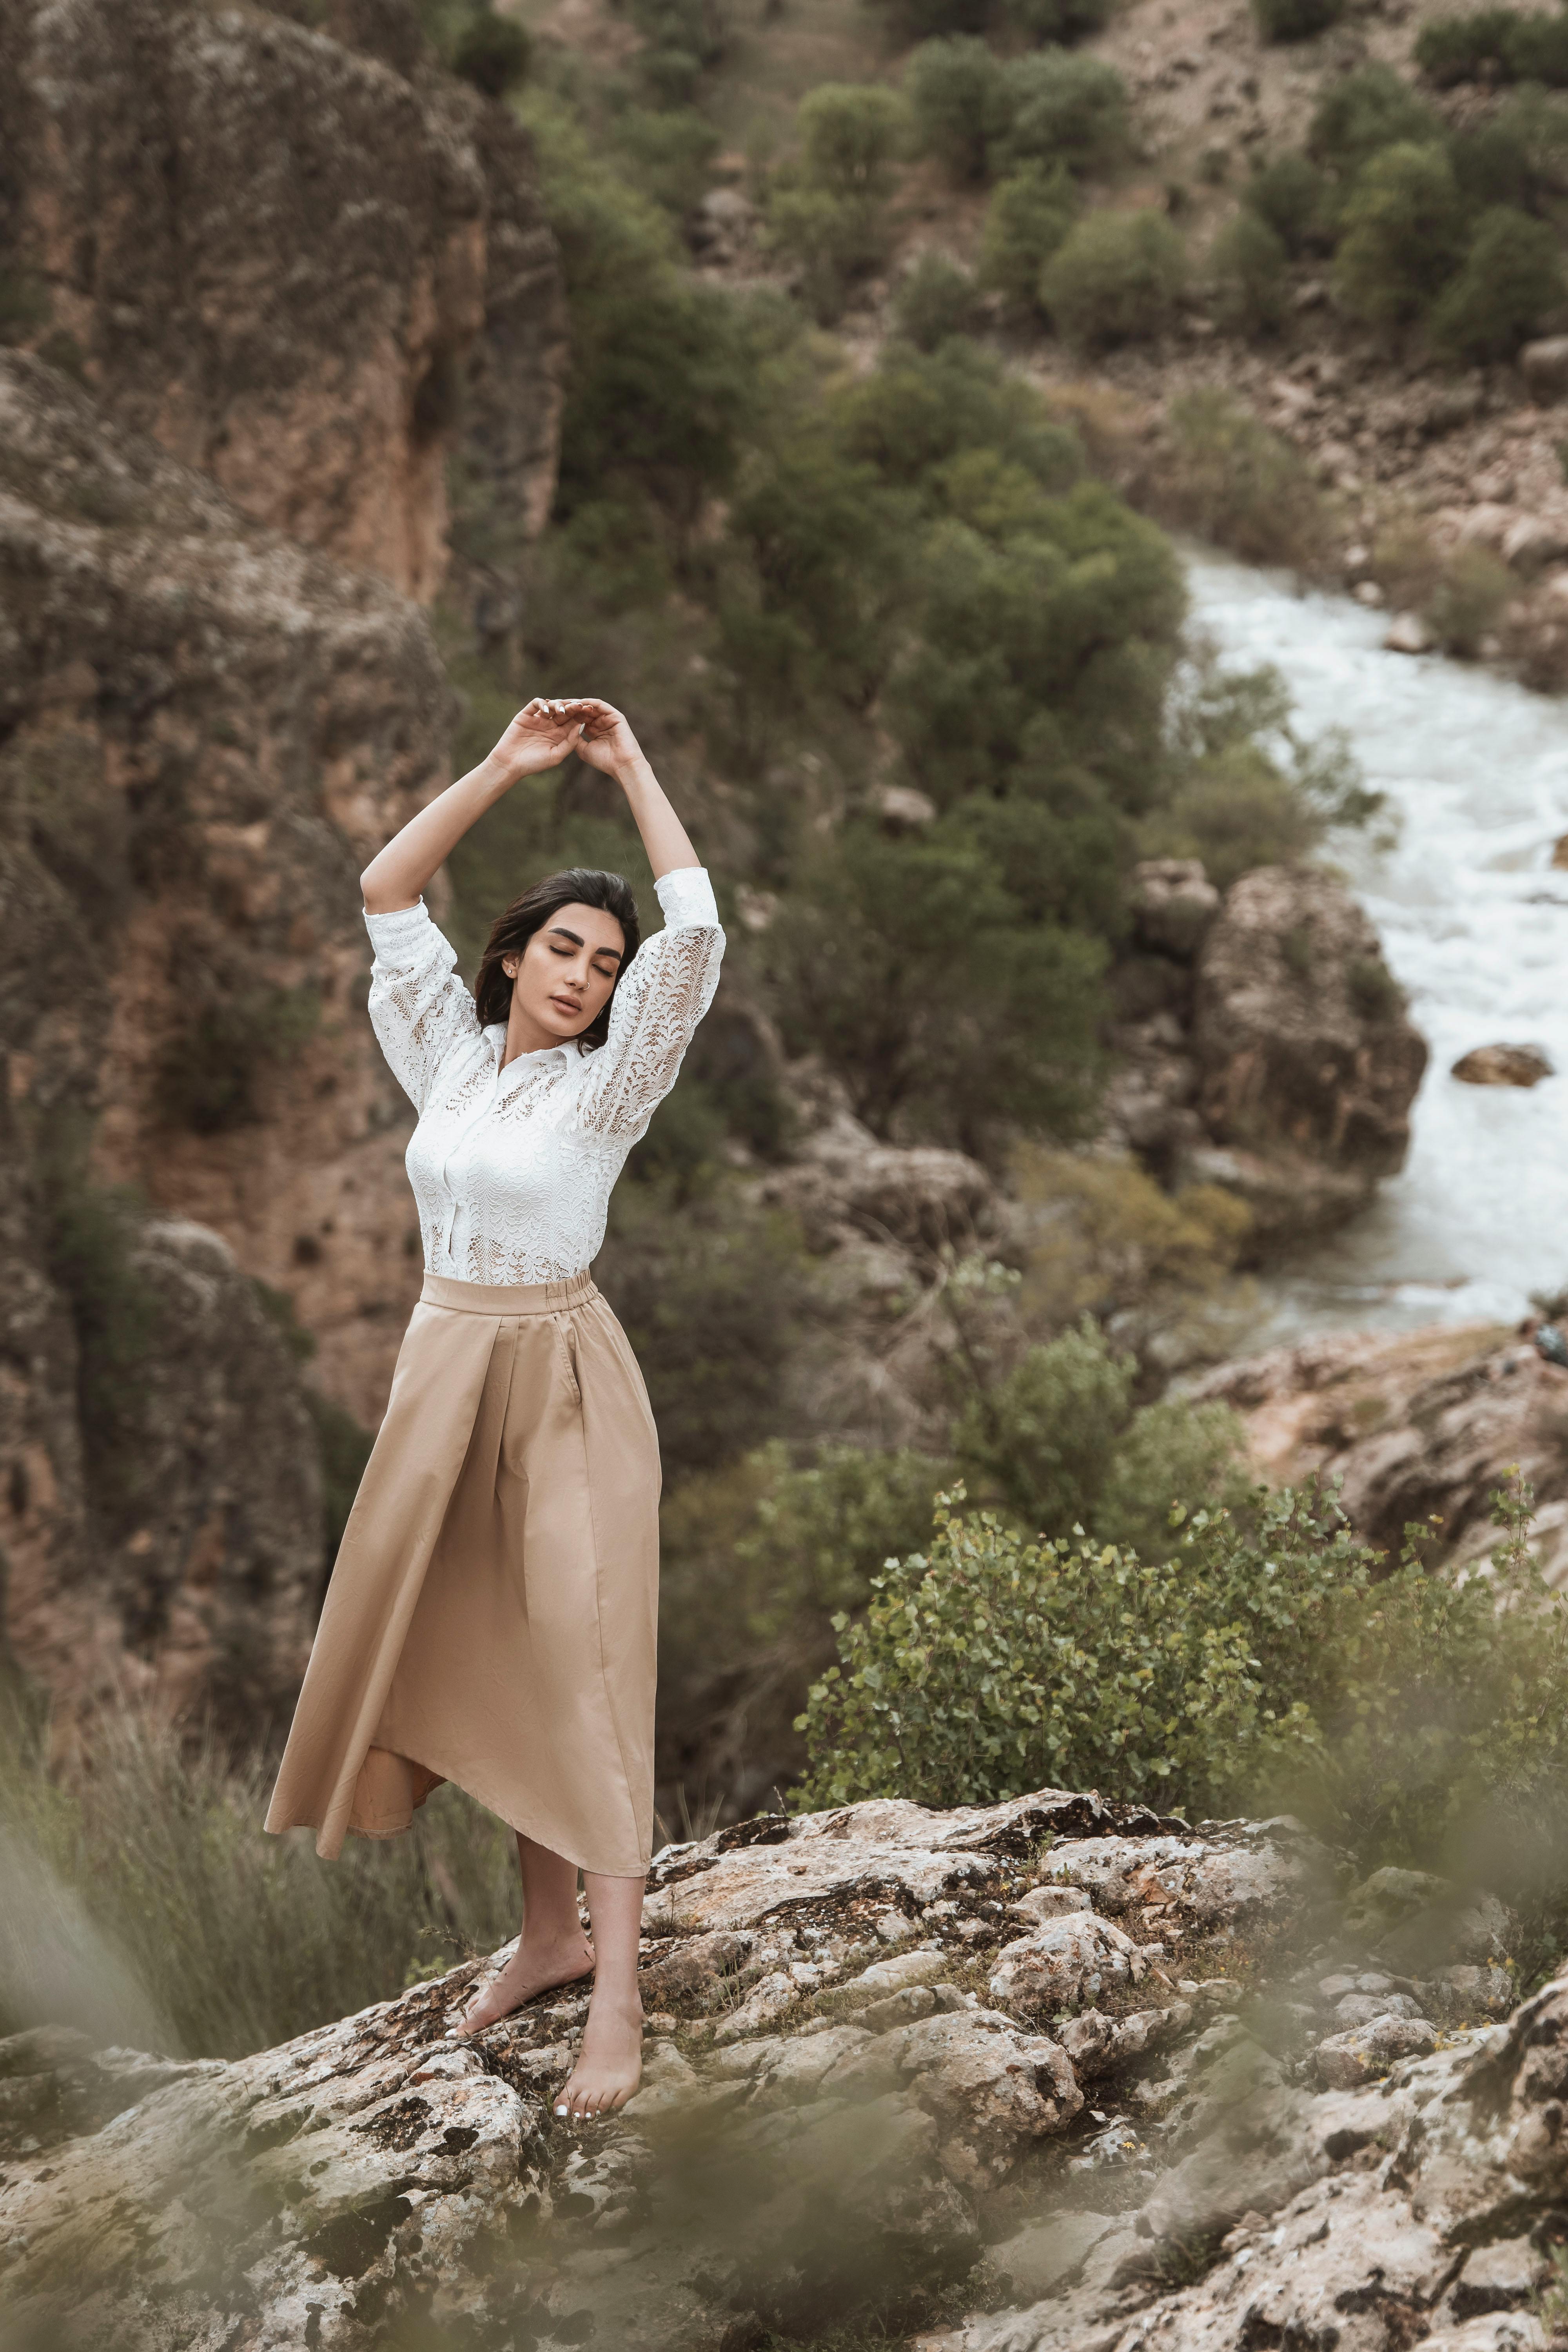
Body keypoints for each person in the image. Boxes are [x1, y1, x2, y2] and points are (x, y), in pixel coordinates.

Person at [264, 696, 725, 2121]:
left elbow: (694, 938)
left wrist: (633, 763)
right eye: (565, 950)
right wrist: (507, 768)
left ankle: (621, 1987)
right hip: (442, 1372)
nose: (587, 977)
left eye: (605, 962)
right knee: (486, 1660)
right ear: (516, 959)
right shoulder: (449, 1061)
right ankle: (544, 1936)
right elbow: (385, 889)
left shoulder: (609, 1092)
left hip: (566, 1379)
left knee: (580, 1663)